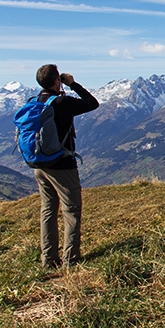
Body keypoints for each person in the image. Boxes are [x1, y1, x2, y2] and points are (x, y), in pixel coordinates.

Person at [33, 64, 99, 268]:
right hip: (62, 165)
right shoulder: (62, 102)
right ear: (56, 81)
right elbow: (92, 103)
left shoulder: (36, 102)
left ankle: (48, 259)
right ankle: (71, 260)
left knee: (48, 210)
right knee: (71, 210)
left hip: (40, 165)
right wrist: (72, 84)